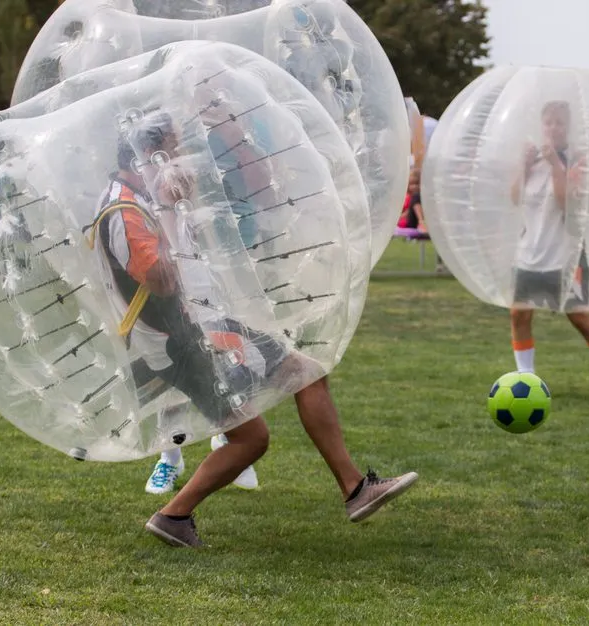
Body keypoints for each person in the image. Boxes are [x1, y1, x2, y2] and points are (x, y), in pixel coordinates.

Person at [89, 112, 418, 546]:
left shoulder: (138, 195)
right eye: (178, 148)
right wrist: (171, 211)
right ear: (155, 155)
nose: (187, 158)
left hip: (194, 330)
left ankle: (354, 489)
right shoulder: (125, 209)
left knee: (300, 382)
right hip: (179, 344)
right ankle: (173, 514)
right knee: (254, 436)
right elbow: (161, 278)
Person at [508, 100, 589, 399]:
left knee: (580, 317)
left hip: (566, 254)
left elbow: (567, 205)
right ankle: (527, 379)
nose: (553, 128)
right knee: (519, 315)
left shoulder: (576, 161)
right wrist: (523, 165)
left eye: (559, 122)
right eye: (548, 122)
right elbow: (513, 198)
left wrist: (556, 166)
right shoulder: (532, 161)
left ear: (568, 127)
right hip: (530, 251)